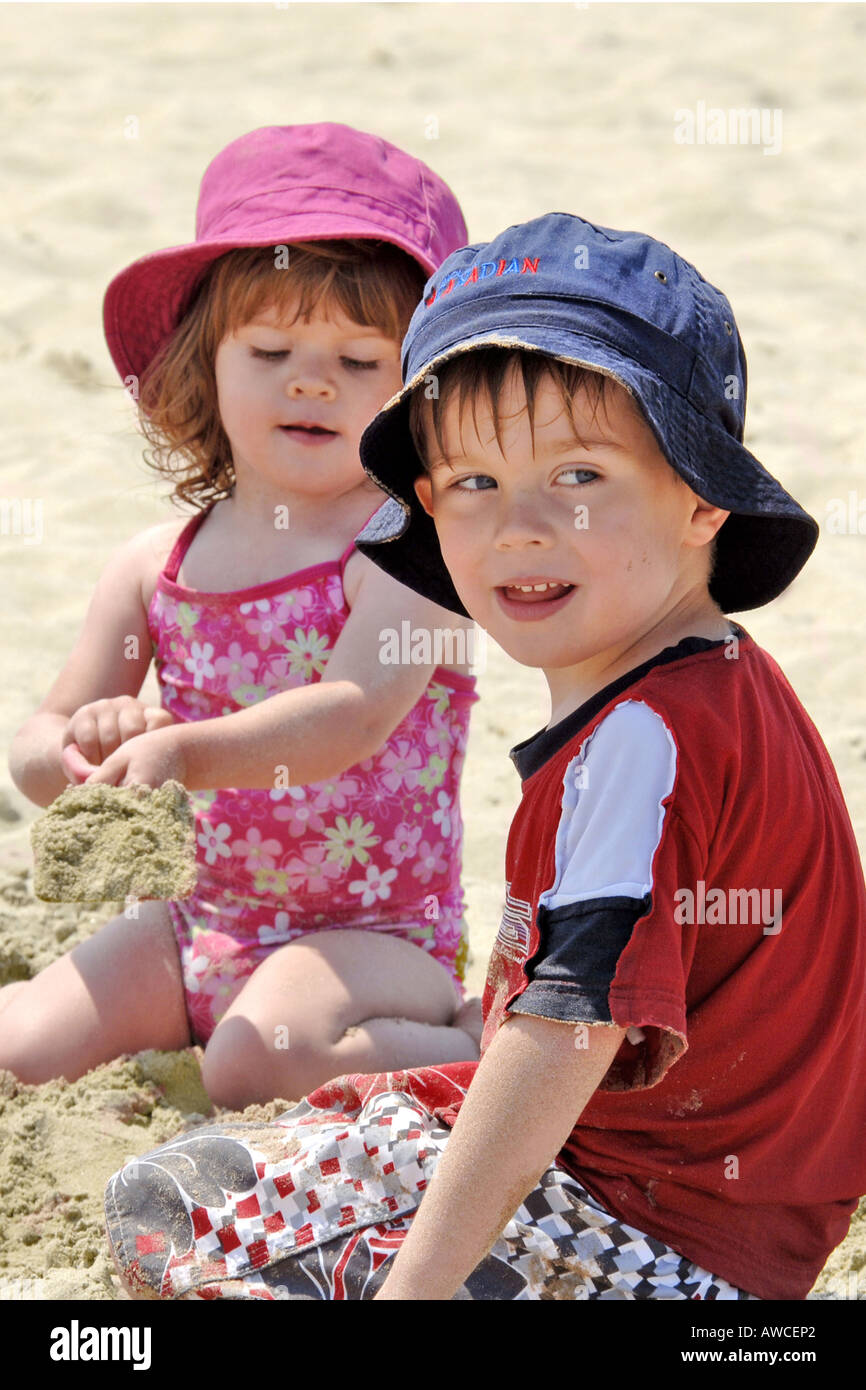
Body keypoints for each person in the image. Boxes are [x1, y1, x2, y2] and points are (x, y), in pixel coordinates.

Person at [102, 212, 866, 1302]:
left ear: (700, 496)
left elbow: (558, 1038)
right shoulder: (718, 679)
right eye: (472, 485)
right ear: (424, 504)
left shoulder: (636, 746)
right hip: (727, 1210)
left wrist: (416, 1287)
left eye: (580, 477)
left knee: (162, 1209)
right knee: (292, 1148)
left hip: (653, 1238)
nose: (517, 529)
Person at [2, 123, 483, 1105]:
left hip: (376, 936)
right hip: (199, 919)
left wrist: (184, 749)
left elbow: (351, 712)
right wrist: (92, 751)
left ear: (418, 394)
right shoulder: (155, 566)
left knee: (254, 1061)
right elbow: (38, 748)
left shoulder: (410, 547)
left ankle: (474, 1039)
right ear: (203, 363)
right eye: (270, 348)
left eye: (360, 361)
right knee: (18, 1046)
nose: (310, 381)